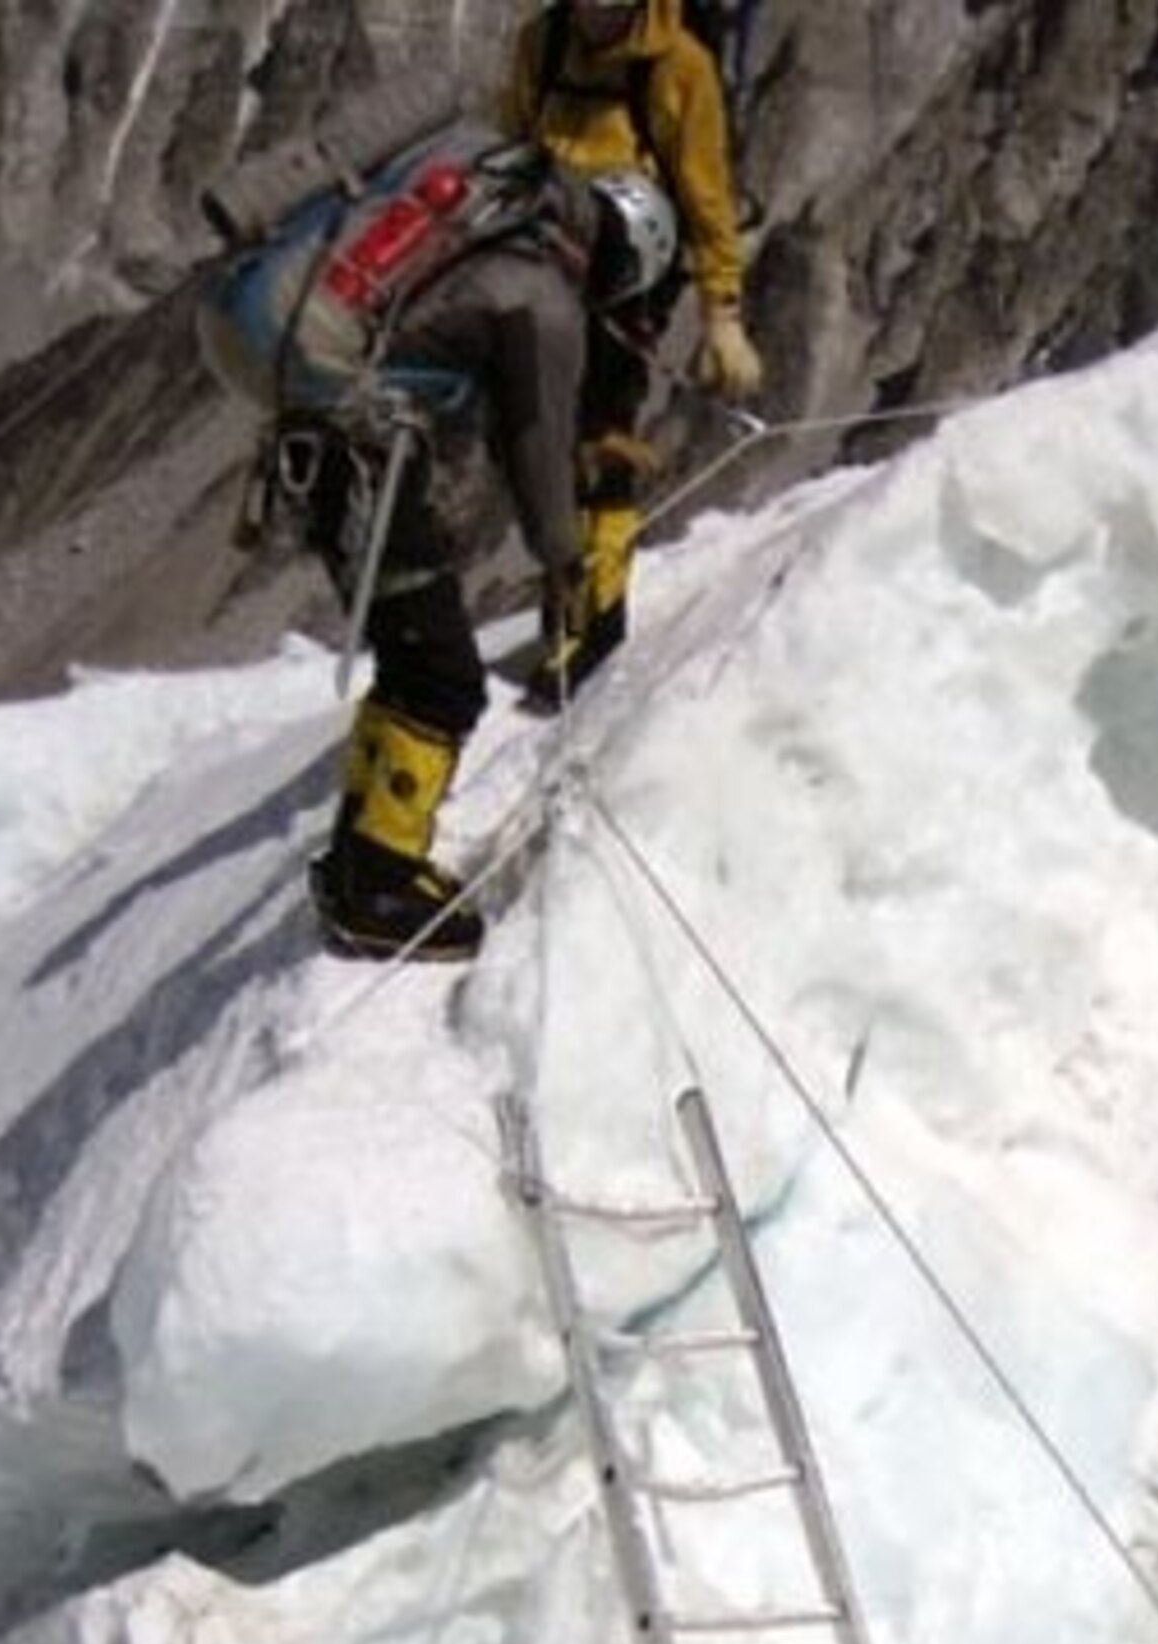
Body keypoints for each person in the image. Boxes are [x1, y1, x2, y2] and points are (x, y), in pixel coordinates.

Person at [287, 151, 680, 959]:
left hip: (326, 446)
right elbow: (536, 449)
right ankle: (380, 887)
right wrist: (564, 555)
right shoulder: (546, 301)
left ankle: (358, 862)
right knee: (440, 675)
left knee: (412, 659)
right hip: (367, 457)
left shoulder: (500, 242)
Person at [503, 0, 766, 710]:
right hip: (547, 249)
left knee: (601, 429)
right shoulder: (543, 42)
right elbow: (510, 144)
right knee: (538, 430)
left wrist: (722, 314)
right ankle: (566, 598)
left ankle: (595, 618)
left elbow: (708, 198)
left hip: (634, 269)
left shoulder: (680, 64)